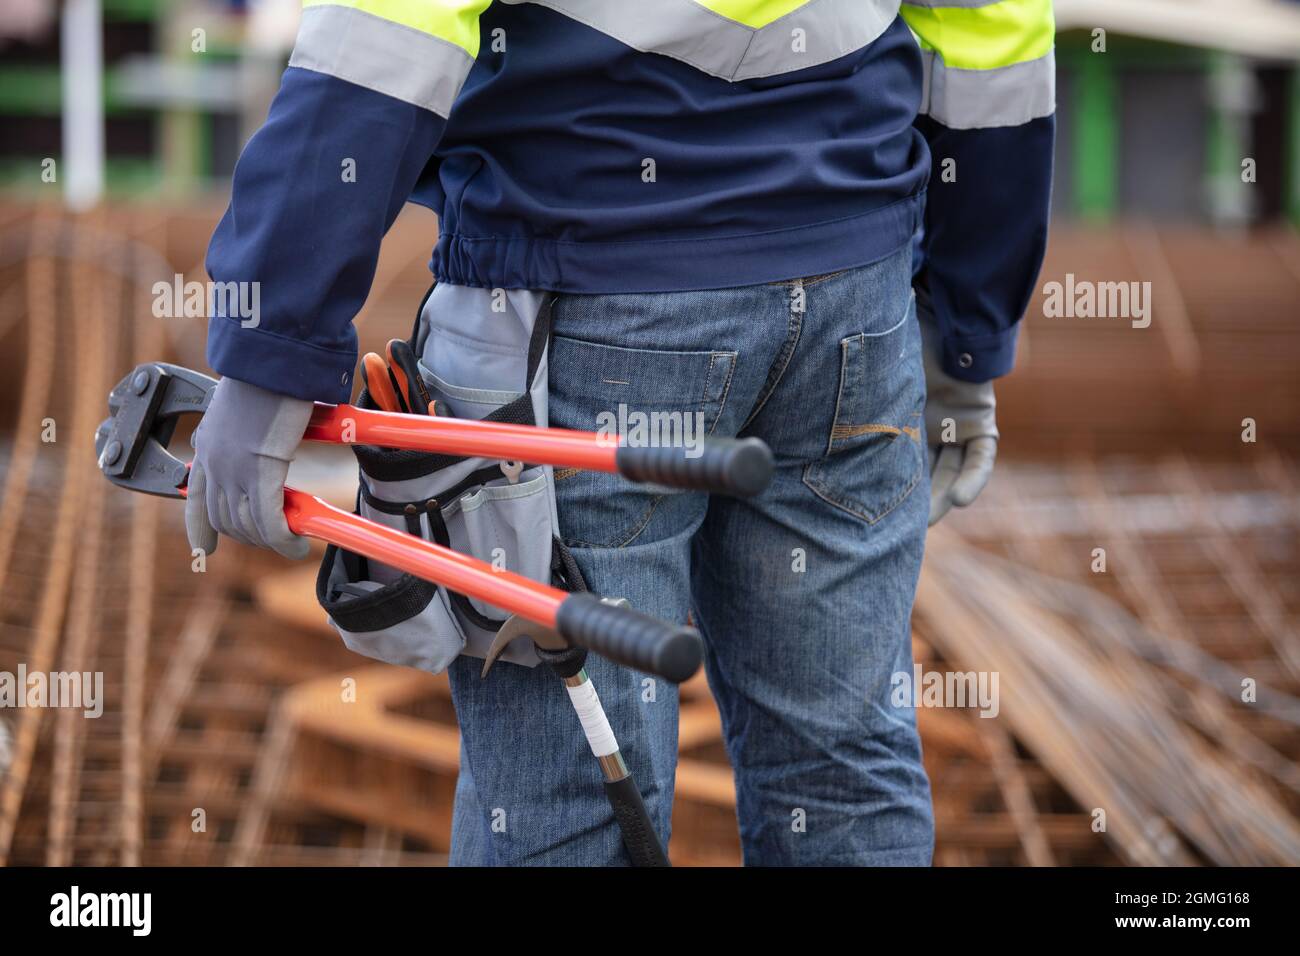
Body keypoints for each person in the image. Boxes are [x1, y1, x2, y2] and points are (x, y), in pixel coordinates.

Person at [187, 0, 1055, 865]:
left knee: (570, 801)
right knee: (844, 778)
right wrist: (968, 325)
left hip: (586, 292)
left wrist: (271, 345)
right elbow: (993, 26)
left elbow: (384, 34)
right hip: (853, 300)